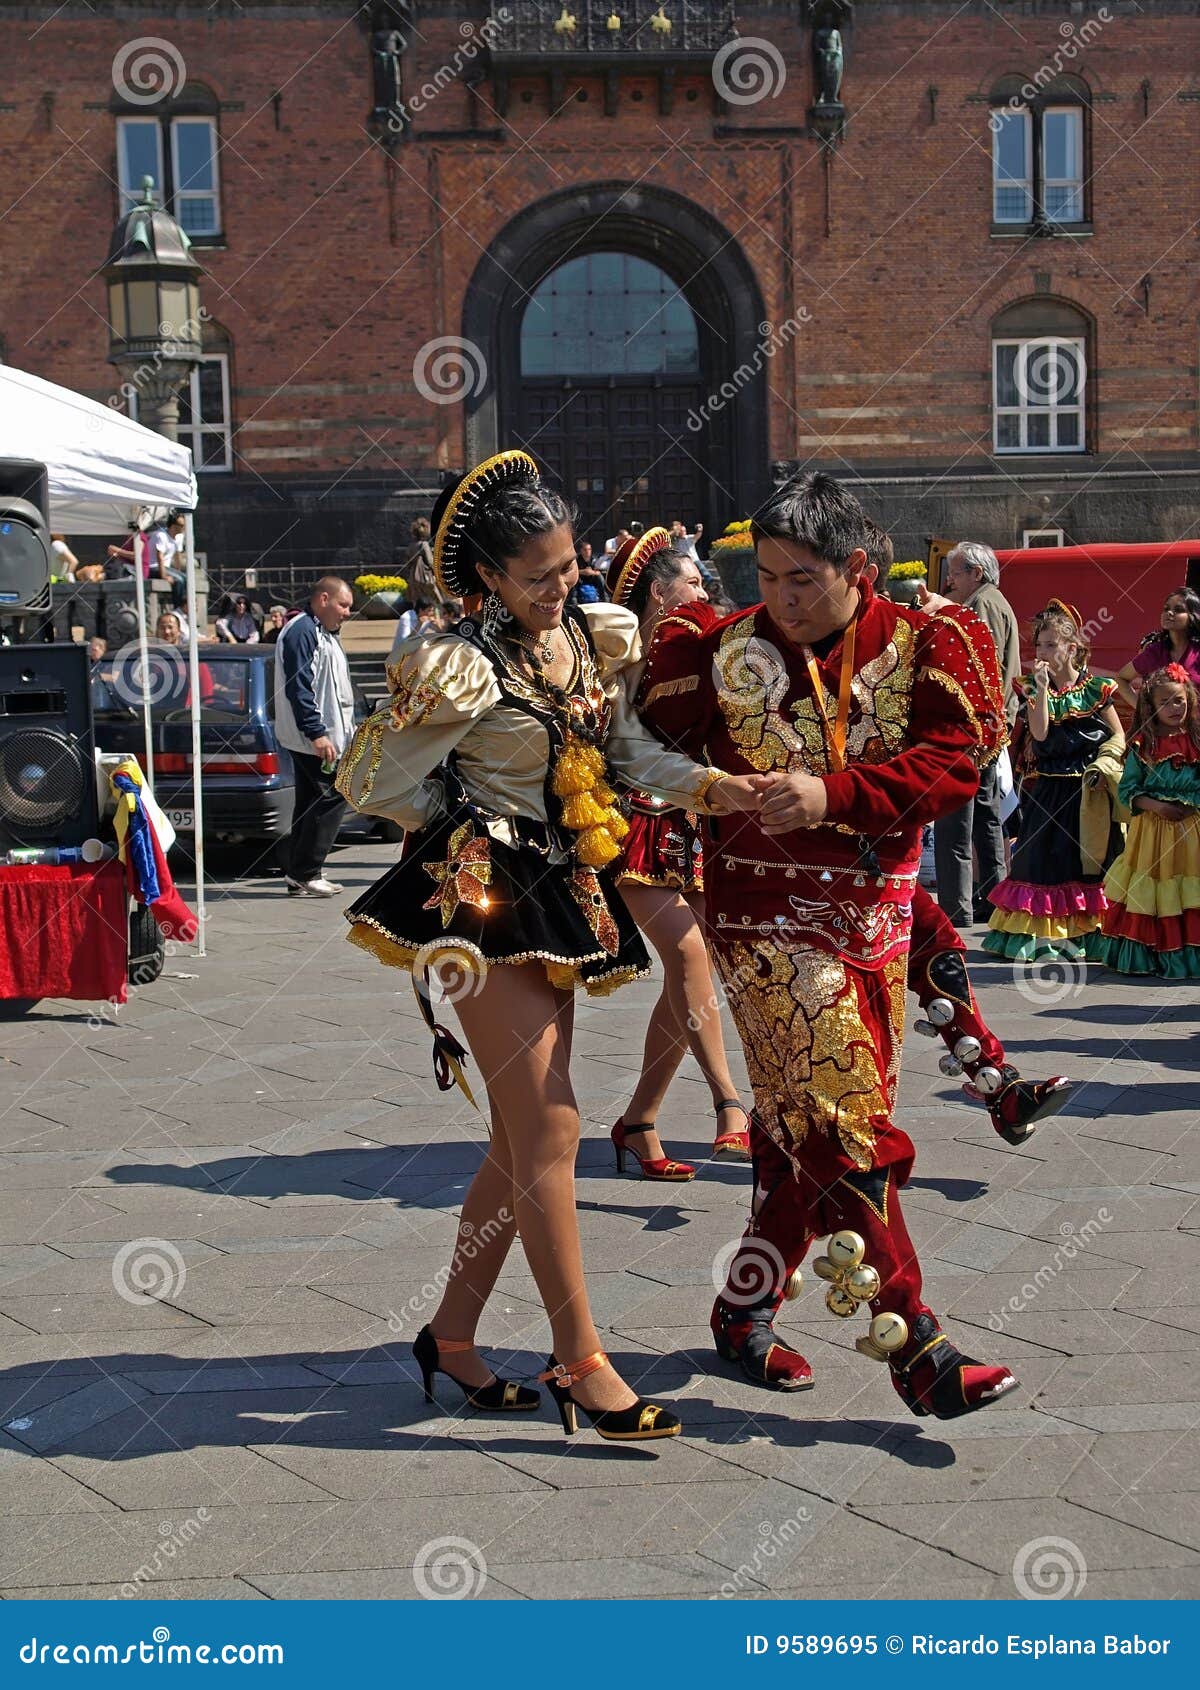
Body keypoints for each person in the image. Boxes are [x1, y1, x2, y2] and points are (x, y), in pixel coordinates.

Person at [335, 450, 761, 1443]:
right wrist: (444, 799)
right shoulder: (460, 665)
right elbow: (366, 780)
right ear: (487, 576)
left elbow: (624, 754)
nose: (563, 584)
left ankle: (450, 1337)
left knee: (517, 1137)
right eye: (539, 573)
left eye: (570, 564)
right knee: (556, 1126)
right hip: (480, 902)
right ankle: (582, 1361)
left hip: (565, 888)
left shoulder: (582, 637)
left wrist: (711, 786)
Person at [639, 470, 1018, 1419]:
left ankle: (743, 1307)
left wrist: (833, 796)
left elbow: (955, 764)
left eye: (800, 579)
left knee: (803, 1134)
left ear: (859, 566)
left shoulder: (931, 640)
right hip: (760, 913)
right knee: (848, 1124)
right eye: (764, 577)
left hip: (879, 914)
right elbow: (632, 746)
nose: (779, 598)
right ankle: (918, 1346)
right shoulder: (716, 652)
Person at [859, 525, 1072, 1145]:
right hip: (800, 858)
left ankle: (1000, 1088)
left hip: (877, 846)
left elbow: (963, 726)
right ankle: (780, 1122)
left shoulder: (919, 631)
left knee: (939, 950)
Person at [605, 528, 751, 1177]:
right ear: (660, 592)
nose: (703, 591)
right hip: (630, 826)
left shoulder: (702, 652)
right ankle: (730, 1101)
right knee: (690, 953)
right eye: (692, 582)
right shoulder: (624, 655)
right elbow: (617, 748)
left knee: (686, 975)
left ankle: (638, 1121)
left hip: (691, 827)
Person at [984, 601, 1124, 962]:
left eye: (1050, 645)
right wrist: (1042, 689)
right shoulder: (1032, 686)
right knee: (1039, 861)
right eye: (1039, 646)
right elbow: (1041, 735)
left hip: (1089, 791)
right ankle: (1042, 936)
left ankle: (1090, 933)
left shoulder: (1097, 688)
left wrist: (1105, 765)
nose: (1042, 653)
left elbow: (1118, 736)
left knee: (1088, 863)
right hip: (1048, 788)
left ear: (1071, 648)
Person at [919, 541, 1020, 926]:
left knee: (955, 824)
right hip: (988, 730)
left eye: (956, 571)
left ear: (976, 573)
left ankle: (957, 908)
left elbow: (976, 671)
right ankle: (993, 901)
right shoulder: (993, 601)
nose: (949, 580)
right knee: (985, 820)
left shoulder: (982, 606)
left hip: (972, 732)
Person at [1096, 664, 1200, 976]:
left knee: (1189, 889)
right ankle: (1151, 952)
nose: (1174, 708)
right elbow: (1128, 790)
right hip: (1151, 836)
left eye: (1179, 700)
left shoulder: (1196, 740)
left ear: (1190, 700)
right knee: (1153, 889)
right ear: (1151, 705)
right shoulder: (1143, 744)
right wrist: (1156, 805)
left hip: (1192, 833)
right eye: (1165, 702)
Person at [274, 575, 356, 897]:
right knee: (332, 795)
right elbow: (300, 687)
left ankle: (300, 873)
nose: (347, 613)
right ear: (323, 599)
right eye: (343, 605)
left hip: (320, 736)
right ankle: (306, 871)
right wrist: (317, 732)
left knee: (310, 802)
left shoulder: (323, 633)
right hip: (312, 738)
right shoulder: (304, 632)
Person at [1115, 587, 1200, 708]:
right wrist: (1143, 711)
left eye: (1178, 609)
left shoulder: (1197, 652)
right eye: (1166, 609)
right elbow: (1121, 679)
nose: (1169, 613)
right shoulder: (1154, 651)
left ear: (1193, 616)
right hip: (1159, 727)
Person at [400, 516, 437, 595]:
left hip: (413, 579)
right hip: (425, 579)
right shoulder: (424, 544)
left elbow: (407, 562)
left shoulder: (411, 546)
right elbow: (430, 562)